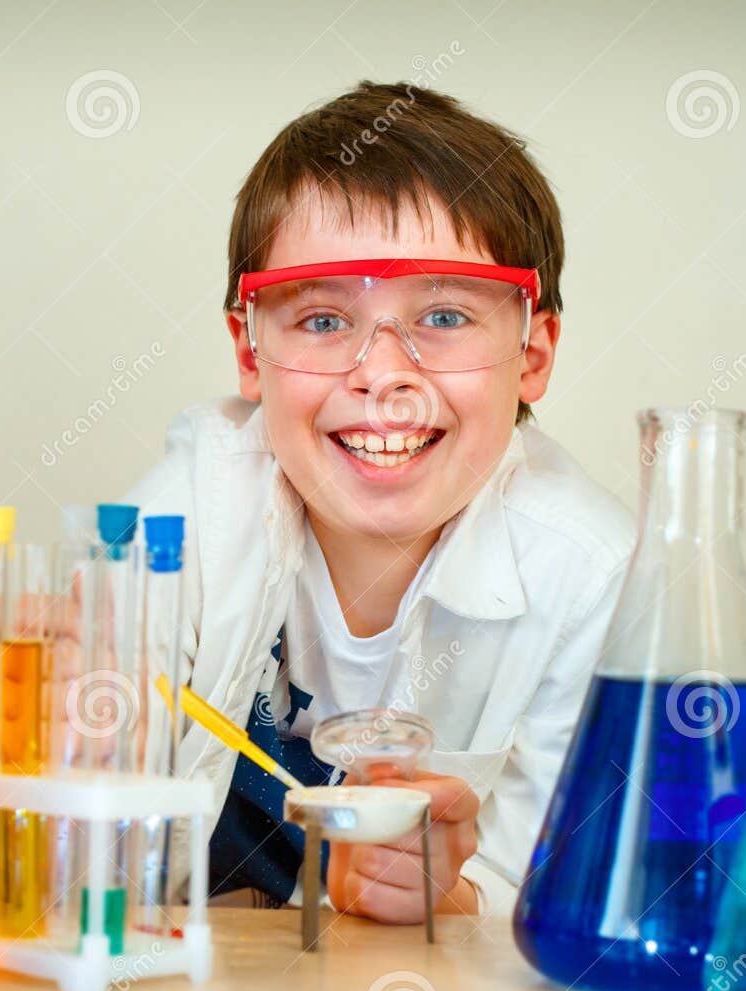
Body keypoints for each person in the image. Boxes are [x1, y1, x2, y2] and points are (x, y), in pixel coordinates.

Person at [127, 81, 634, 922]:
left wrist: (447, 897)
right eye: (325, 321)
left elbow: (567, 913)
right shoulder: (195, 503)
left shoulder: (592, 578)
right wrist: (69, 728)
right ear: (250, 352)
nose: (384, 374)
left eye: (445, 315)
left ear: (533, 353)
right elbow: (64, 823)